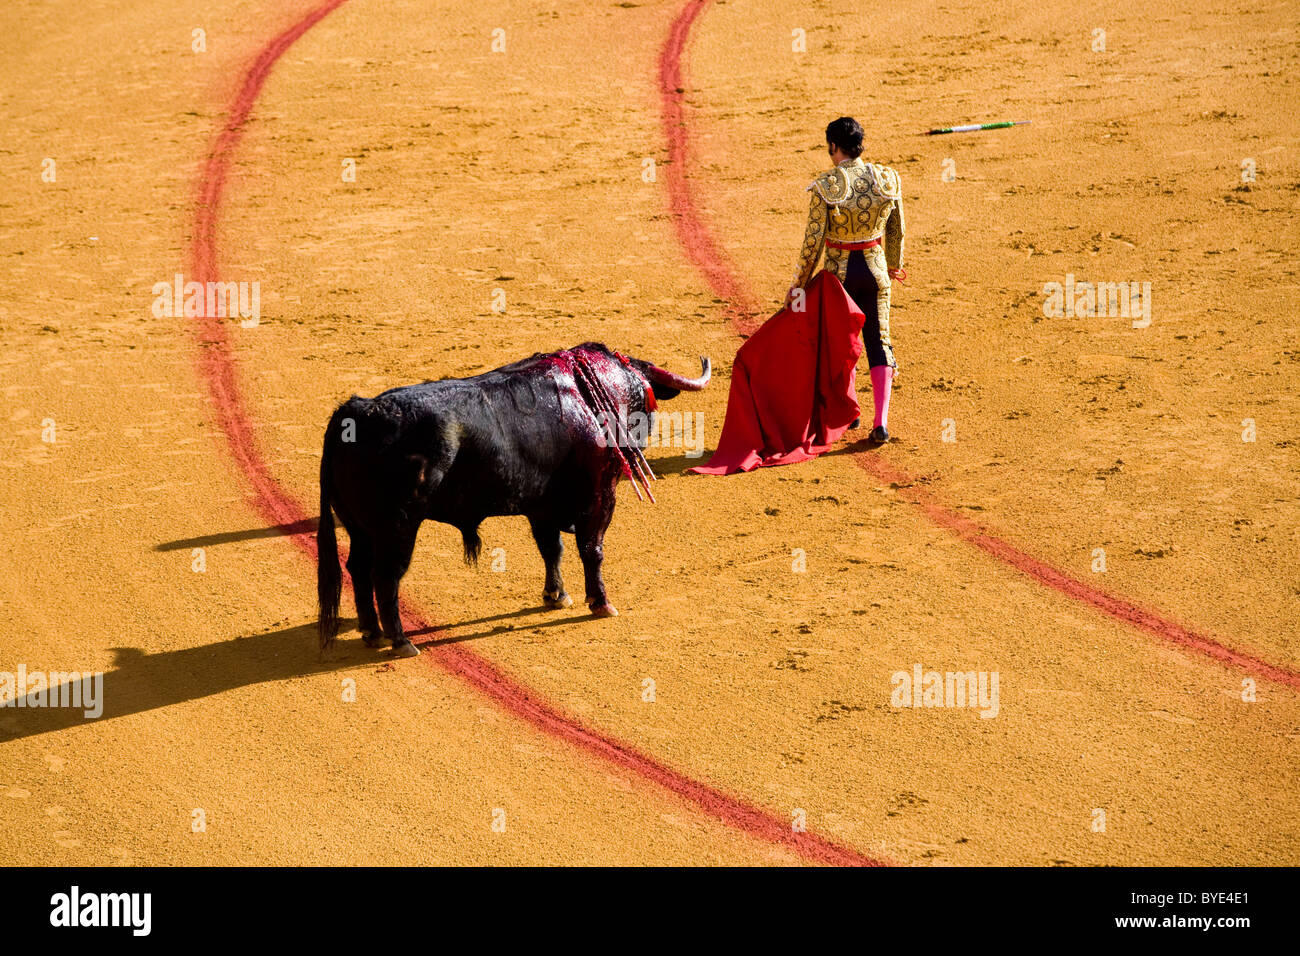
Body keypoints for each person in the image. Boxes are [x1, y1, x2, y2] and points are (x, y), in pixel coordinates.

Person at [786, 116, 906, 444]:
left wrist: (798, 285)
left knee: (842, 343)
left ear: (834, 146)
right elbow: (895, 229)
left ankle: (849, 412)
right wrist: (893, 266)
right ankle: (879, 423)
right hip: (875, 270)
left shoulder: (826, 186)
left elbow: (812, 243)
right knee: (879, 341)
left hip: (840, 276)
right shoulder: (886, 178)